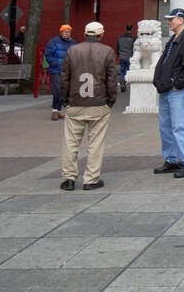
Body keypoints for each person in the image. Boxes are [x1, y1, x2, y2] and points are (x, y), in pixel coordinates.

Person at [59, 21, 117, 191]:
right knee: (96, 142)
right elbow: (111, 79)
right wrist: (111, 100)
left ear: (85, 34)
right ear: (101, 35)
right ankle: (91, 179)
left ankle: (68, 178)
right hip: (99, 103)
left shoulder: (72, 51)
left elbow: (64, 78)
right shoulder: (107, 51)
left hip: (75, 102)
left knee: (70, 142)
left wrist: (64, 100)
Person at [152, 8, 184, 176]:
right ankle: (172, 159)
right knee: (165, 127)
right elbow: (165, 61)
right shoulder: (174, 39)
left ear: (181, 20)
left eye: (172, 19)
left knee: (178, 127)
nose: (169, 22)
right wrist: (159, 81)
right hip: (167, 88)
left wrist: (177, 84)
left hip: (176, 90)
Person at [44, 24, 73, 121]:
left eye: (68, 32)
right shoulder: (54, 41)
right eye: (65, 31)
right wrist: (54, 63)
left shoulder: (72, 43)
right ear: (61, 32)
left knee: (64, 91)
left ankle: (58, 110)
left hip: (67, 70)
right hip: (56, 70)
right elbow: (48, 54)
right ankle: (54, 111)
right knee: (57, 90)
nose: (67, 33)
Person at [116, 23, 135, 91]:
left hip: (122, 56)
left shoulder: (120, 38)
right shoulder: (133, 38)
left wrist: (119, 54)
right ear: (132, 29)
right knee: (129, 71)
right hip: (129, 56)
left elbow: (117, 48)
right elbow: (134, 48)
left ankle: (122, 81)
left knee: (122, 71)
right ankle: (129, 83)